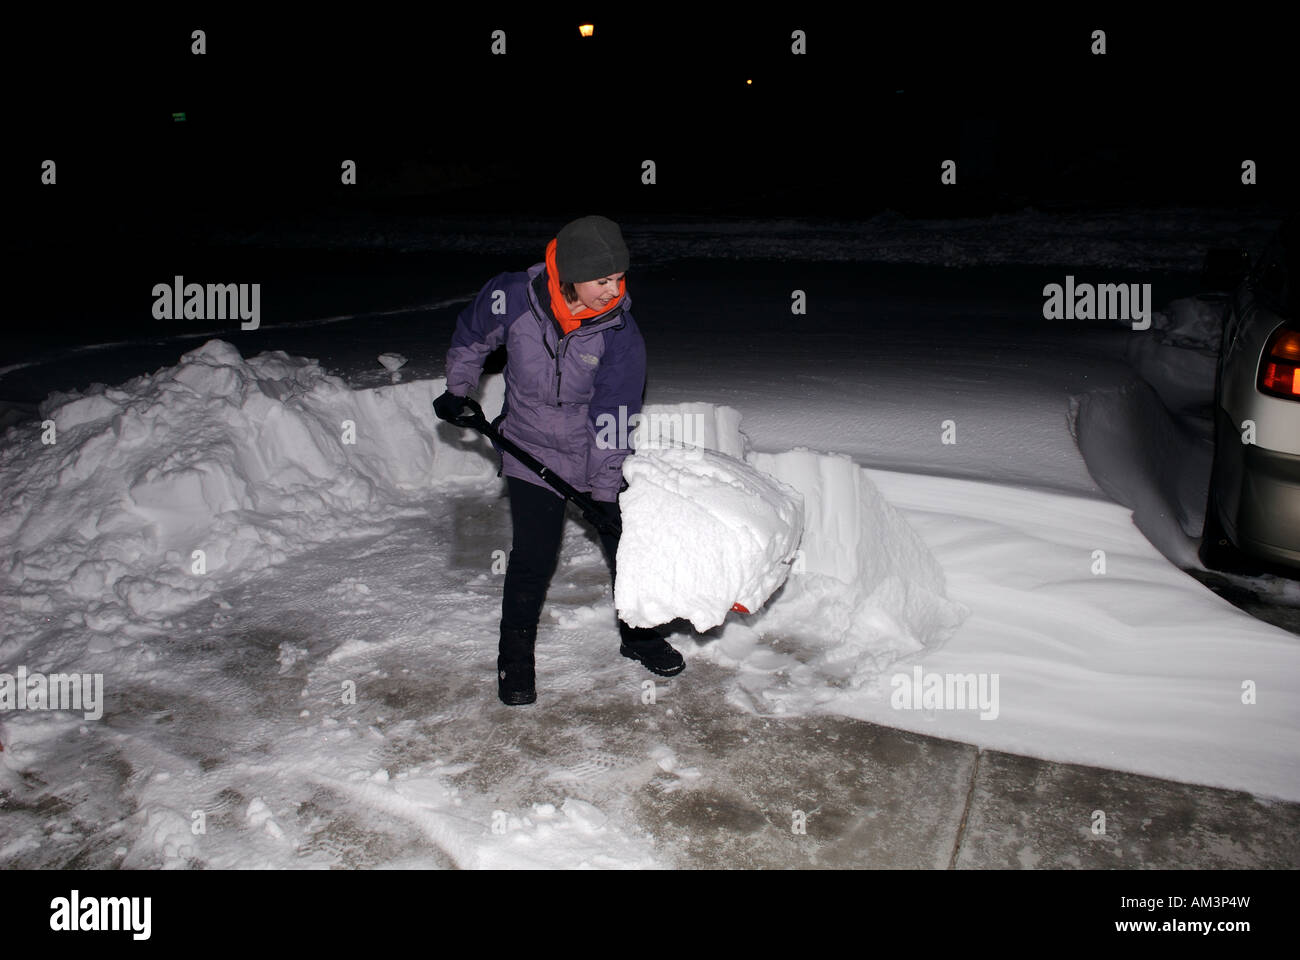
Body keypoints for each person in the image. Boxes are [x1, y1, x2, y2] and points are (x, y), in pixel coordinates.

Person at [432, 215, 685, 705]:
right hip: (527, 444)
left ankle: (639, 637)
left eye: (619, 278)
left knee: (623, 545)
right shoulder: (513, 296)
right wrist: (456, 389)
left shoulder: (619, 333)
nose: (613, 291)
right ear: (569, 275)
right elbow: (473, 334)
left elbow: (613, 415)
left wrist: (603, 489)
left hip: (590, 443)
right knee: (533, 554)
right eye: (602, 280)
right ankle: (514, 656)